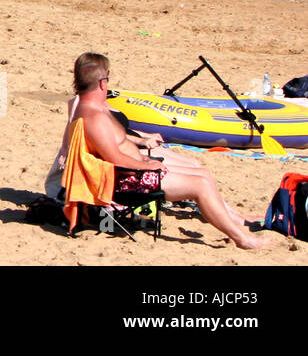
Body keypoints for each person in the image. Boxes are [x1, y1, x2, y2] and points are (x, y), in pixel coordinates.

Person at [55, 53, 272, 249]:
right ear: (102, 83)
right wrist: (146, 164)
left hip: (132, 172)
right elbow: (114, 158)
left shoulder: (91, 108)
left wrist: (142, 152)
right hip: (127, 181)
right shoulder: (94, 116)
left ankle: (232, 222)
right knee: (200, 185)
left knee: (203, 174)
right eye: (108, 79)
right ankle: (242, 239)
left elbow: (115, 145)